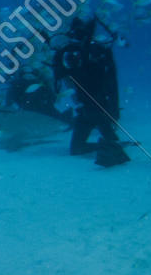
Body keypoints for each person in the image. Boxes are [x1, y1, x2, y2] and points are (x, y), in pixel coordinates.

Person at [52, 15, 128, 166]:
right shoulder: (69, 53)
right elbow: (59, 79)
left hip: (100, 108)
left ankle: (115, 144)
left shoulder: (100, 52)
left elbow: (110, 82)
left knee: (110, 141)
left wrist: (113, 109)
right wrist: (60, 59)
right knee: (76, 149)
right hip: (84, 109)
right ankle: (111, 143)